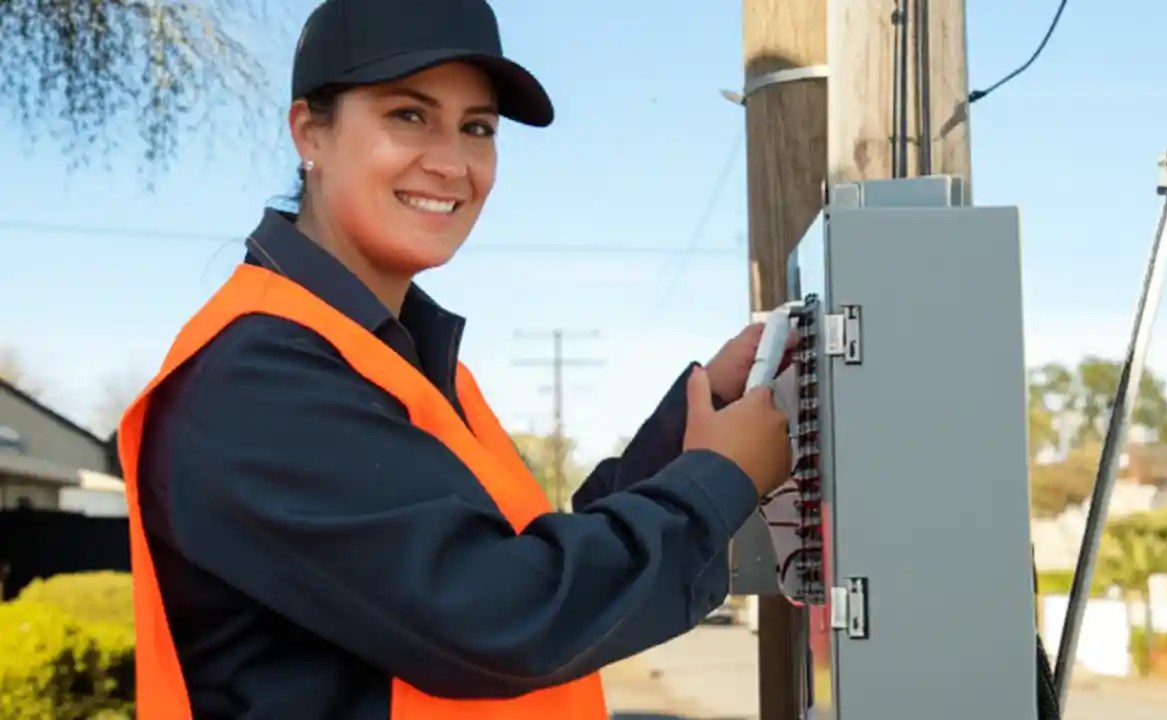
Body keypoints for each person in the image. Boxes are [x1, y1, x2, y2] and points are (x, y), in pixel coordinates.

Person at [115, 0, 794, 717]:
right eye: (408, 115)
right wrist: (720, 480)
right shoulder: (259, 377)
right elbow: (506, 617)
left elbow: (527, 560)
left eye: (477, 128)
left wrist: (691, 427)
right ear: (309, 131)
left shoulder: (390, 357)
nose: (450, 162)